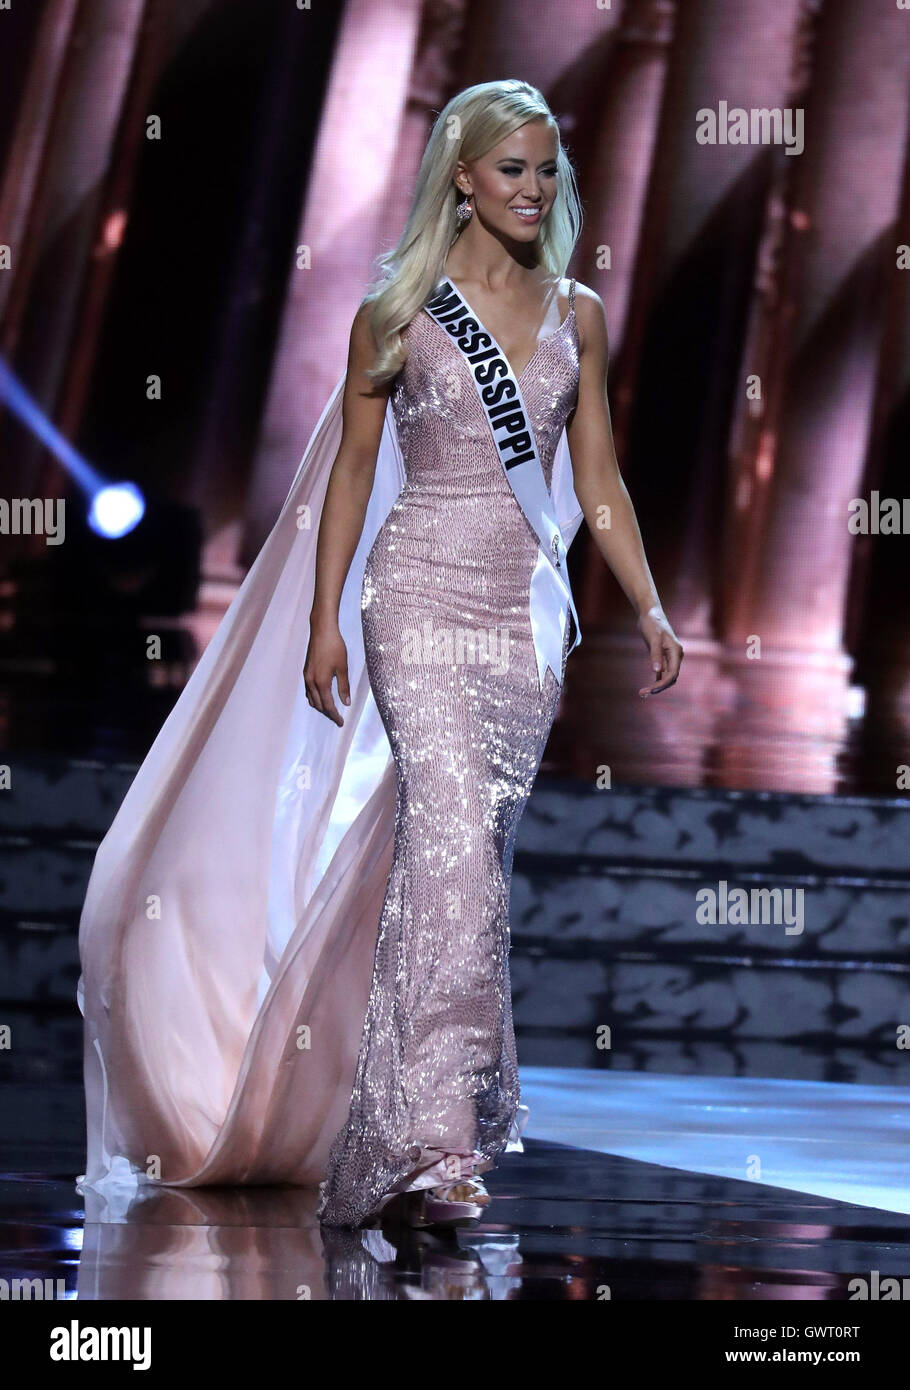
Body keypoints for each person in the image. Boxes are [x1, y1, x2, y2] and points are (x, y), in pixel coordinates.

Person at [76, 79, 682, 1234]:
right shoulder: (397, 312)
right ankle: (432, 1146)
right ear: (460, 175)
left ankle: (404, 1122)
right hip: (412, 597)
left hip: (521, 616)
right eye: (511, 169)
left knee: (463, 862)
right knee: (452, 846)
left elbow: (595, 480)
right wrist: (322, 620)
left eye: (547, 169)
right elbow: (349, 476)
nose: (533, 189)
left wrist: (646, 604)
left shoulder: (578, 314)